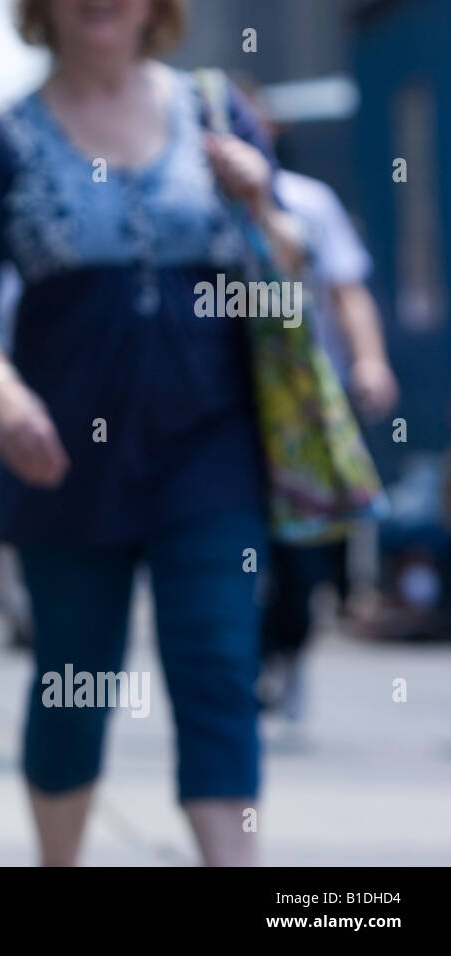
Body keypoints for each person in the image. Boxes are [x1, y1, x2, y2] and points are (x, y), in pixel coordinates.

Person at [0, 0, 304, 866]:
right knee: (72, 679)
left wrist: (261, 203)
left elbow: (289, 276)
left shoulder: (217, 109)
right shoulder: (3, 137)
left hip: (210, 446)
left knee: (217, 661)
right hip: (59, 450)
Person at [259, 168, 398, 719]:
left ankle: (286, 651)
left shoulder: (307, 200)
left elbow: (347, 289)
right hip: (221, 405)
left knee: (302, 540)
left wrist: (370, 362)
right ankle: (241, 667)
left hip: (307, 401)